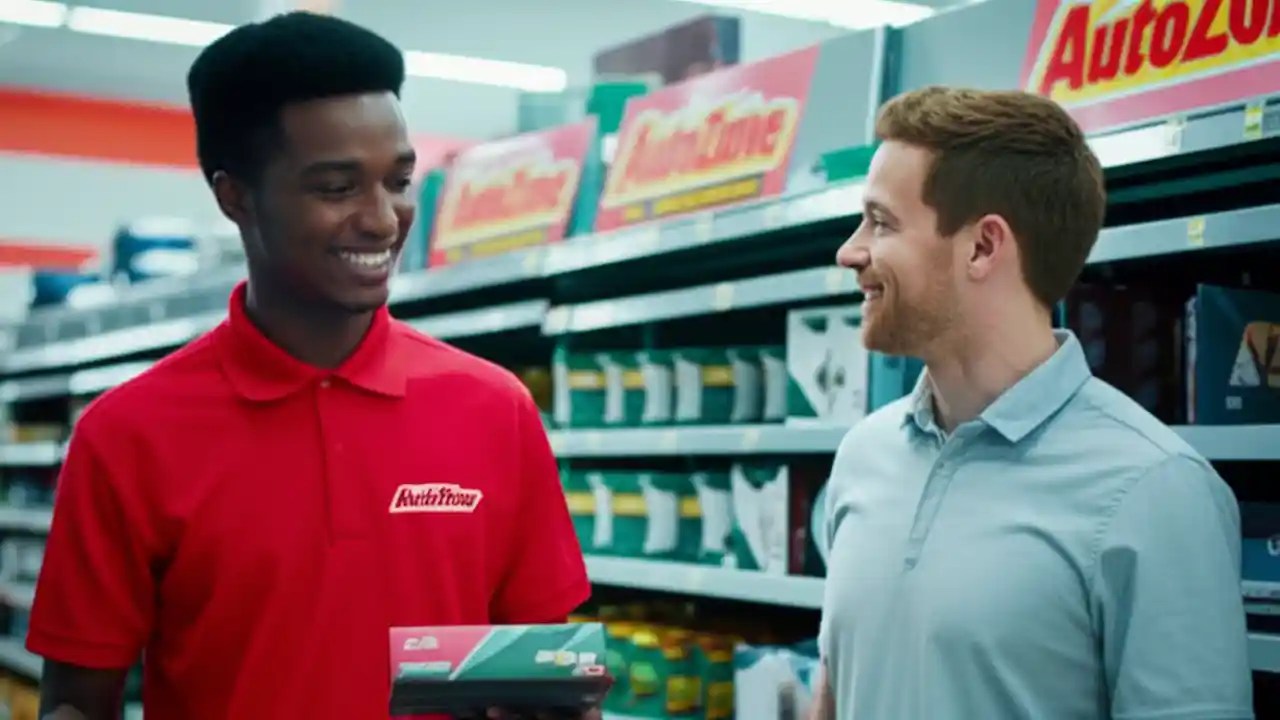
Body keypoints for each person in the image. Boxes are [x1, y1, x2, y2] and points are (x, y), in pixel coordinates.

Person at [27, 12, 590, 720]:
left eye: (399, 180)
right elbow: (76, 703)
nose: (384, 220)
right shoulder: (127, 434)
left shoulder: (493, 408)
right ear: (235, 196)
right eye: (337, 188)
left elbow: (546, 672)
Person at [813, 86, 1253, 720]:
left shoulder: (1154, 491)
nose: (850, 250)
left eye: (880, 221)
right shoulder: (863, 456)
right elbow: (839, 689)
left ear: (983, 247)